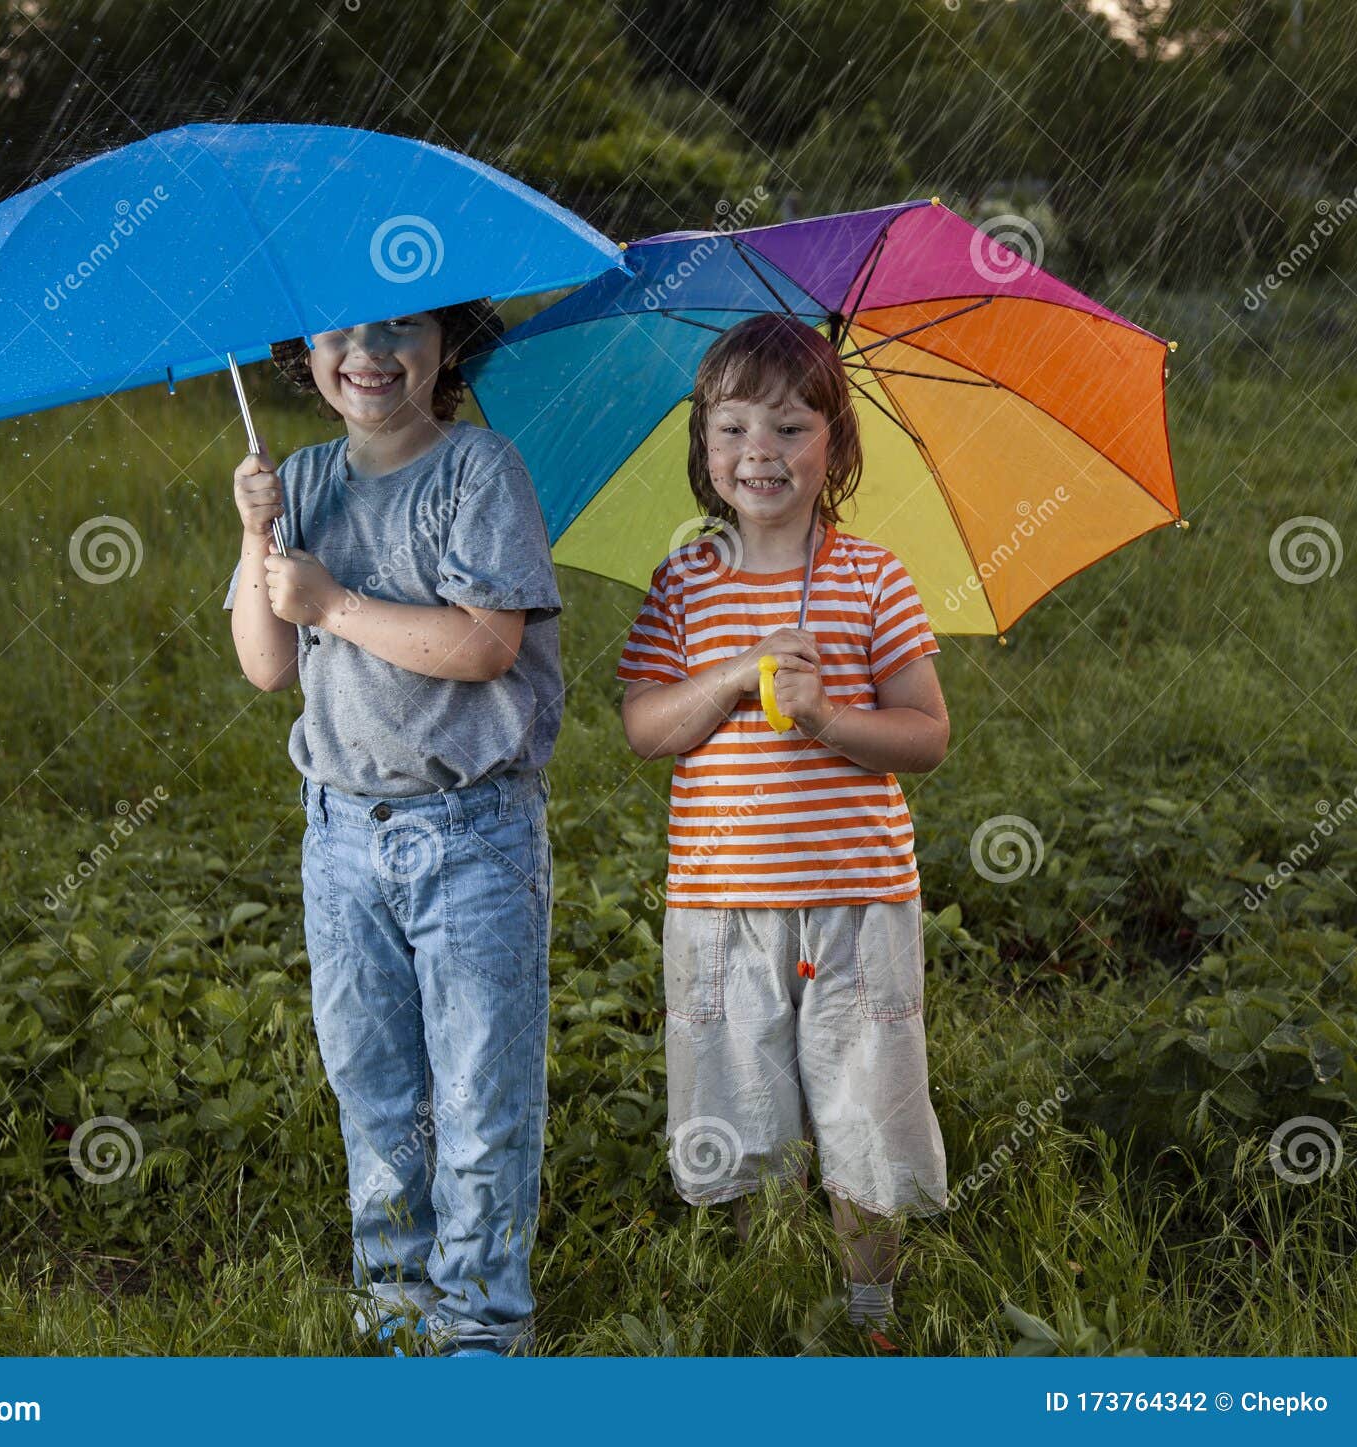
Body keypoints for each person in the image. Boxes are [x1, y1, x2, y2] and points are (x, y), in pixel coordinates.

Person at [222, 301, 560, 1356]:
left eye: (399, 329)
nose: (367, 356)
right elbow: (267, 665)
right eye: (337, 335)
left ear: (445, 343)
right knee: (373, 1080)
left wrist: (330, 603)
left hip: (471, 833)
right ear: (303, 353)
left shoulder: (478, 472)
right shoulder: (306, 483)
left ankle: (478, 1322)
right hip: (341, 835)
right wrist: (254, 535)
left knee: (477, 1086)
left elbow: (484, 647)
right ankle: (396, 1293)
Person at [615, 312, 949, 1337]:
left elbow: (926, 733)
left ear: (837, 448)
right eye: (732, 428)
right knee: (743, 1101)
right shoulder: (683, 583)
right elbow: (644, 727)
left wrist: (826, 717)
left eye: (793, 428)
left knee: (868, 1107)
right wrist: (726, 676)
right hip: (722, 905)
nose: (761, 452)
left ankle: (867, 1300)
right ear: (703, 450)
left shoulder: (871, 576)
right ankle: (768, 1275)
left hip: (855, 897)